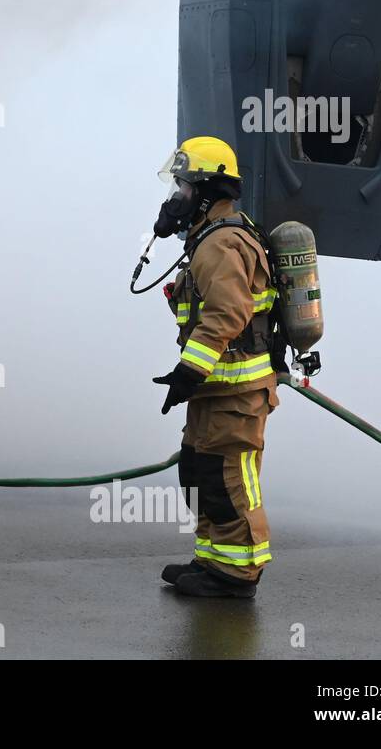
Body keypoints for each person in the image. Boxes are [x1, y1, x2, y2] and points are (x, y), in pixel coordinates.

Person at [150, 136, 278, 597]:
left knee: (228, 481)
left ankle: (237, 576)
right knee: (201, 473)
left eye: (183, 188)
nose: (175, 198)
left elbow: (227, 314)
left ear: (206, 191)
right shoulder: (209, 238)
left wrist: (189, 370)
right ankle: (213, 561)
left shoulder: (220, 244)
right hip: (217, 390)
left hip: (236, 392)